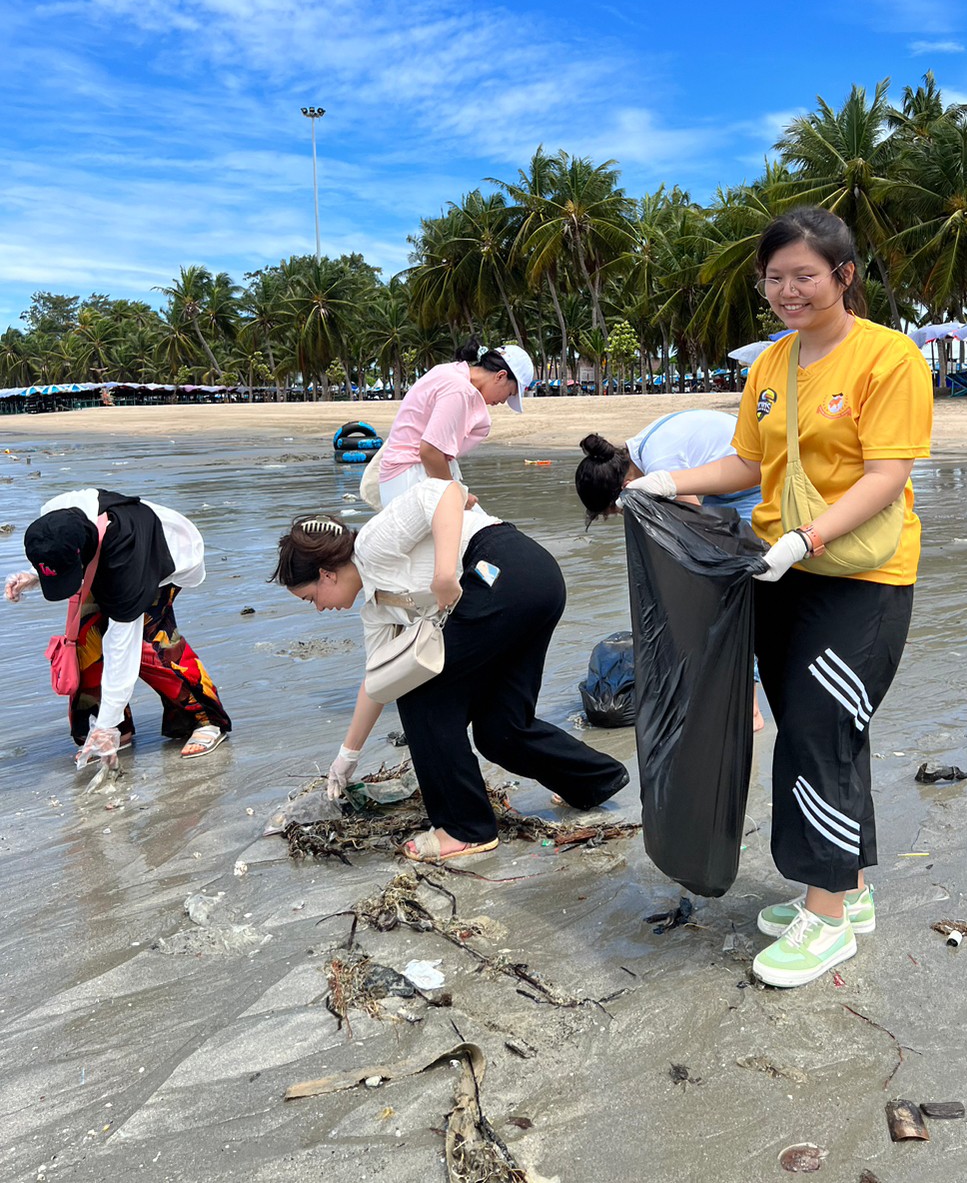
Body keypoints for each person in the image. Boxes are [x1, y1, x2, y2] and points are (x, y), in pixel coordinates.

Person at [625, 206, 933, 988]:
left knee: (815, 738)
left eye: (804, 275)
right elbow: (745, 464)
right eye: (774, 278)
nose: (787, 290)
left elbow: (885, 474)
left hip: (859, 580)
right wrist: (665, 481)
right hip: (779, 576)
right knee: (813, 727)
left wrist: (809, 537)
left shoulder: (887, 358)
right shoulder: (771, 365)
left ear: (843, 275)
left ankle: (824, 918)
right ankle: (848, 890)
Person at [271, 481, 629, 861]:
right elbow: (377, 681)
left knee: (421, 693)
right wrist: (347, 756)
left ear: (326, 574)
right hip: (533, 588)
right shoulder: (376, 610)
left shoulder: (372, 544)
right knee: (499, 728)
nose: (318, 608)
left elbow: (443, 493)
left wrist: (444, 573)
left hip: (504, 568)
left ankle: (464, 828)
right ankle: (593, 780)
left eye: (311, 598)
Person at [5, 488, 232, 767]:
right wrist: (35, 576)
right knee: (86, 642)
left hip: (161, 559)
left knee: (151, 645)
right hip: (100, 560)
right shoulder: (55, 515)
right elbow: (58, 550)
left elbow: (122, 647)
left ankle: (206, 718)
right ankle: (117, 728)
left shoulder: (126, 559)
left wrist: (105, 726)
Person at [575, 413, 767, 730]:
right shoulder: (641, 455)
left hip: (753, 484)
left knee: (734, 597)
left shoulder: (659, 461)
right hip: (729, 482)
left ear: (624, 488)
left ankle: (752, 712)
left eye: (614, 510)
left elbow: (698, 529)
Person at [372, 338, 535, 507]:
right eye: (509, 394)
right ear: (501, 376)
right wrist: (457, 495)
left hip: (400, 473)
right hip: (409, 476)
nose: (502, 401)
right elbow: (430, 451)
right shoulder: (459, 390)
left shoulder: (451, 371)